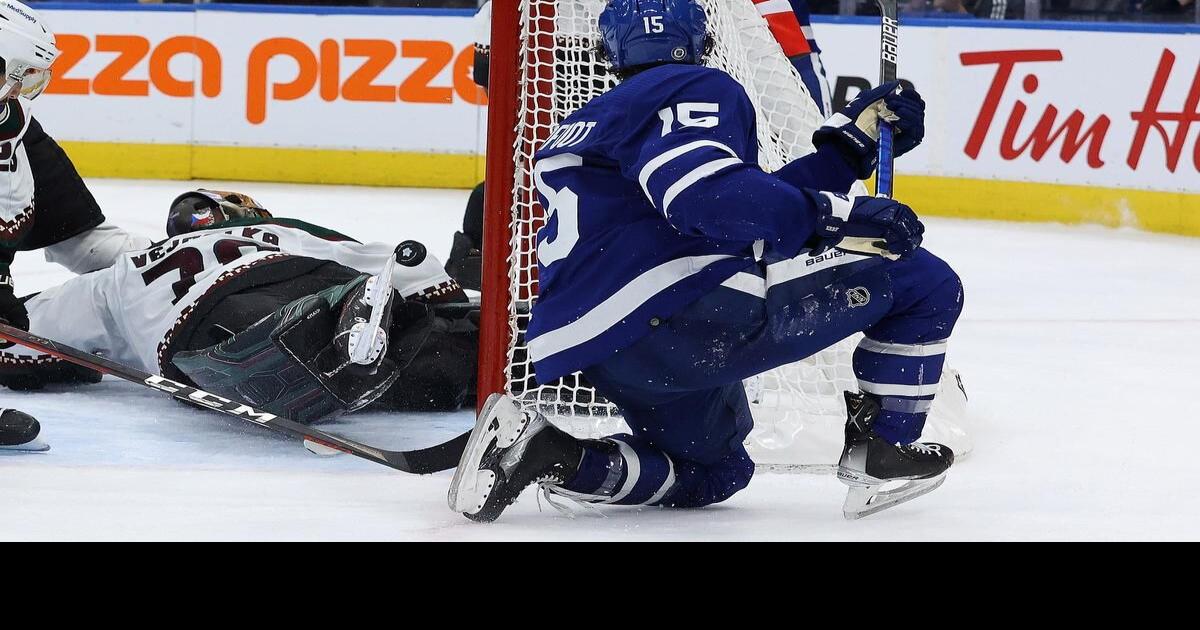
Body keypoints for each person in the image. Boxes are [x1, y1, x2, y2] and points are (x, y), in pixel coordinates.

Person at [450, 0, 962, 522]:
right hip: (673, 308)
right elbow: (703, 198)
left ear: (609, 55)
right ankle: (884, 448)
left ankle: (553, 455)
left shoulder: (588, 121)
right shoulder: (695, 86)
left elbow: (729, 214)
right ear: (706, 43)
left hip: (597, 346)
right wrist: (837, 216)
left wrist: (846, 154)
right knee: (921, 279)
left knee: (714, 471)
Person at [1, 189, 479, 425]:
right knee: (436, 354)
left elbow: (23, 336)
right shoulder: (278, 230)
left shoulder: (122, 274)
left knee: (274, 332)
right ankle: (463, 356)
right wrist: (444, 300)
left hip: (197, 343)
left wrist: (59, 368)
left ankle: (335, 338)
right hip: (296, 282)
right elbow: (385, 261)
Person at [0, 1, 150, 452]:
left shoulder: (17, 131)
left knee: (29, 355)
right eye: (24, 72)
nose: (25, 87)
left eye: (31, 76)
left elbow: (81, 241)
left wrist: (173, 262)